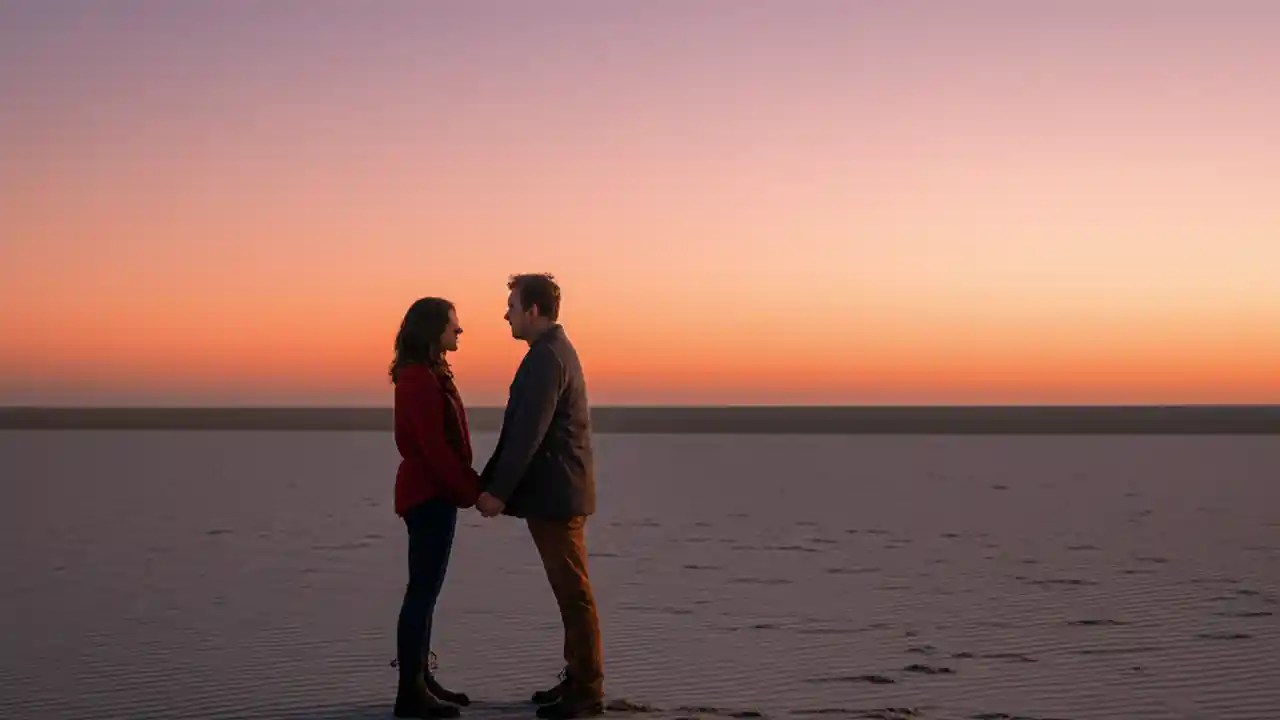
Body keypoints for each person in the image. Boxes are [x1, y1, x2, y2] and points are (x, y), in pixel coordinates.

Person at [477, 274, 604, 720]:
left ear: (533, 310)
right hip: (557, 492)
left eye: (512, 305)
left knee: (573, 593)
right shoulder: (548, 353)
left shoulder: (547, 358)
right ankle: (577, 678)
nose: (506, 314)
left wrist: (496, 492)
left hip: (557, 496)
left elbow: (527, 434)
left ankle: (586, 691)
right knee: (569, 590)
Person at [390, 297, 481, 719]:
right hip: (428, 496)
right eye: (453, 325)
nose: (459, 331)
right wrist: (471, 491)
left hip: (437, 494)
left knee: (426, 593)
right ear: (433, 329)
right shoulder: (417, 379)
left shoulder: (430, 373)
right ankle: (410, 692)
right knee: (421, 594)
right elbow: (433, 449)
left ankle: (421, 680)